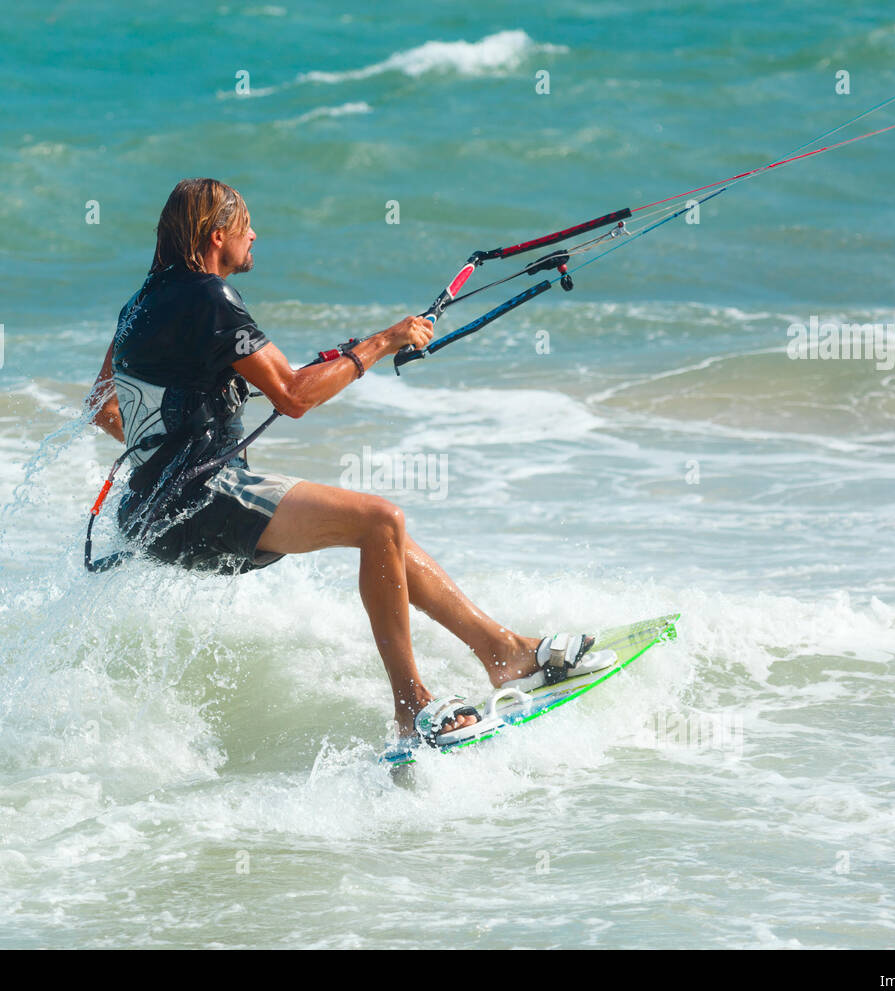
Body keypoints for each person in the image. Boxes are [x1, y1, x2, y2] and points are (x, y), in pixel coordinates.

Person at [87, 178, 597, 745]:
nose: (254, 235)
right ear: (216, 237)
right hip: (203, 498)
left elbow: (100, 407)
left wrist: (170, 437)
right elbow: (293, 395)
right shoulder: (210, 297)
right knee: (381, 520)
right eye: (245, 227)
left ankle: (504, 652)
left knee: (384, 541)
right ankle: (413, 706)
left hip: (150, 514)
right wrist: (383, 342)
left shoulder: (137, 306)